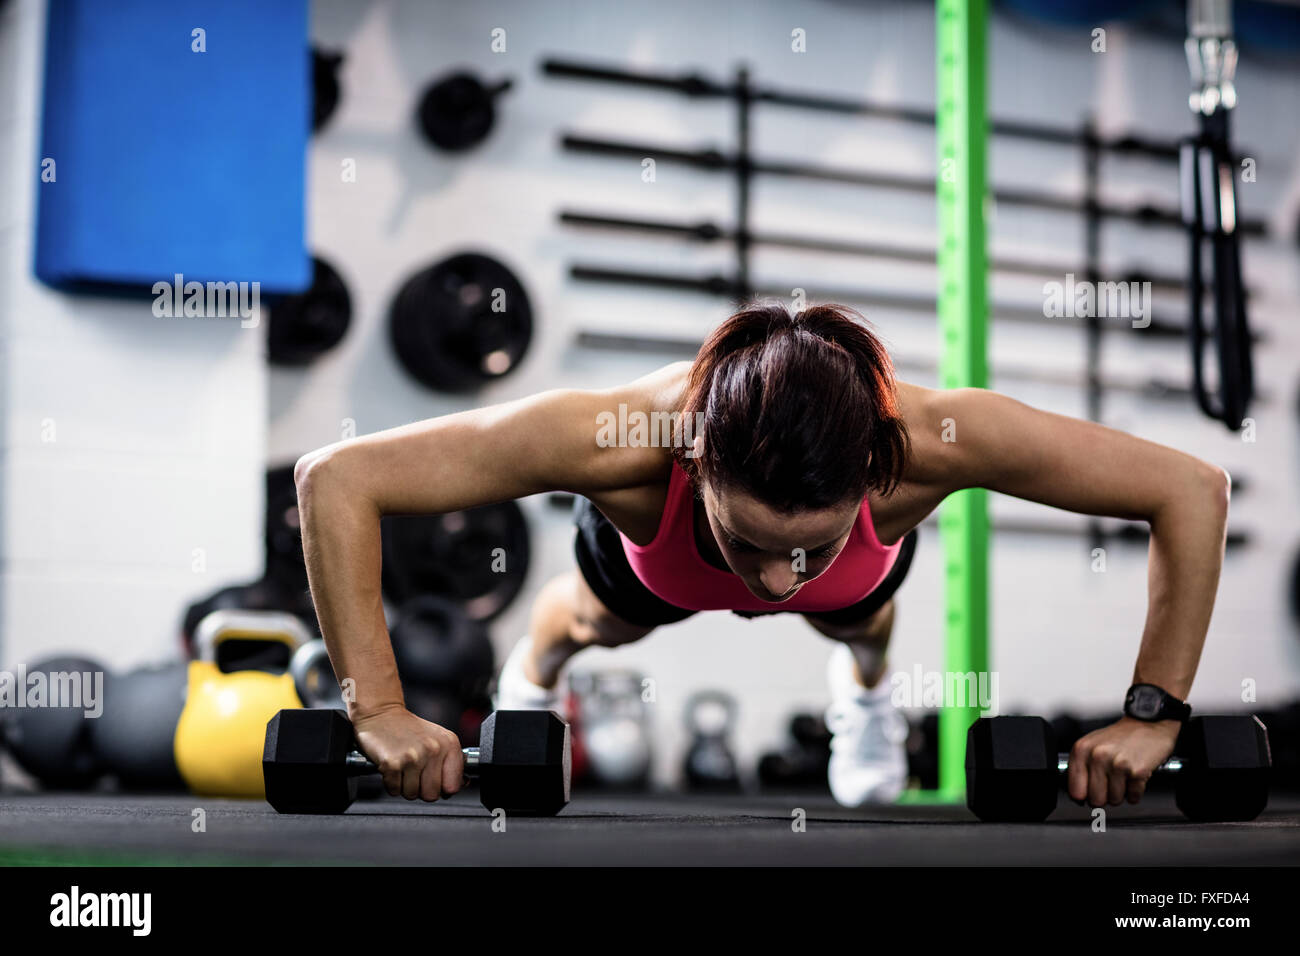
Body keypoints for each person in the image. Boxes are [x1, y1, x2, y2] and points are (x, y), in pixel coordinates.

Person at [294, 302, 1231, 809]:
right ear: (695, 456)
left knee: (858, 618)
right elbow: (335, 479)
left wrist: (1154, 715)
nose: (777, 584)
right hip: (659, 560)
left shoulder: (943, 438)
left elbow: (1189, 490)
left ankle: (863, 698)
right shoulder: (618, 438)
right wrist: (375, 706)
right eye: (753, 542)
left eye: (805, 547)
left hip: (862, 574)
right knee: (585, 624)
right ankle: (529, 684)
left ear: (876, 468)